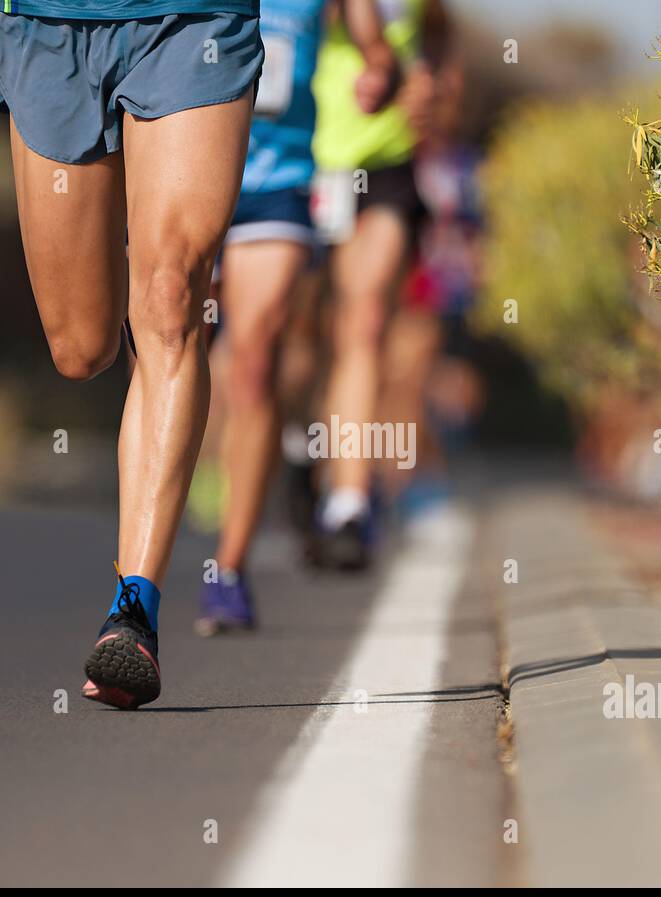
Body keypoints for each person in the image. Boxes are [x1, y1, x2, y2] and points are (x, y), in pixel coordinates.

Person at [0, 0, 264, 707]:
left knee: (171, 295)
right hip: (51, 24)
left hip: (193, 20)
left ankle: (133, 613)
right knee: (80, 346)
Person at [195, 0, 397, 635]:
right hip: (185, 174)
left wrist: (380, 73)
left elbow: (378, 50)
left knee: (254, 360)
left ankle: (227, 569)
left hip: (277, 183)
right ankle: (138, 571)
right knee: (172, 349)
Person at [306, 0, 451, 570]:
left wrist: (431, 87)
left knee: (364, 323)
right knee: (295, 338)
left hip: (388, 161)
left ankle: (348, 502)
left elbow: (439, 35)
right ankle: (303, 457)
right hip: (312, 157)